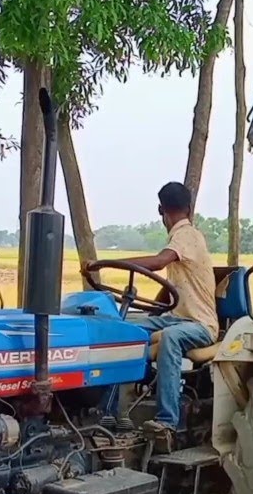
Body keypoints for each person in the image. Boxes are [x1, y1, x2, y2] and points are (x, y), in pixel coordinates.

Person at [88, 182, 218, 450]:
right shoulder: (184, 237)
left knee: (170, 337)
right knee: (121, 329)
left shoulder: (188, 235)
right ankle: (107, 415)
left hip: (200, 325)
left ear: (161, 211)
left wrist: (116, 264)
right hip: (176, 317)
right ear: (189, 207)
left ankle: (166, 422)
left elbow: (159, 262)